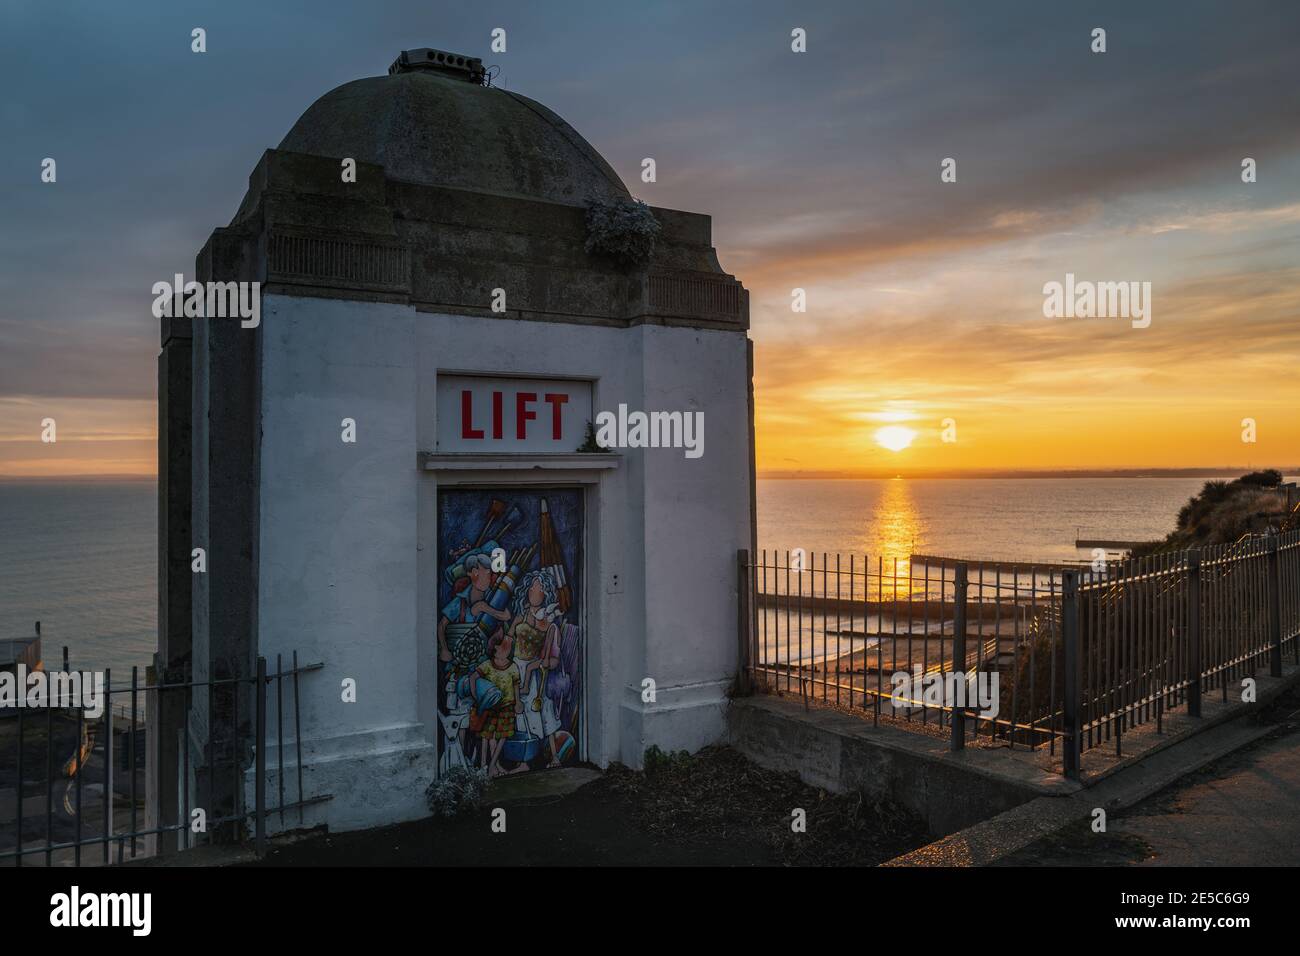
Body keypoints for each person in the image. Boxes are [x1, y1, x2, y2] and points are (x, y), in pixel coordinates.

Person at [507, 569, 565, 768]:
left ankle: (551, 756)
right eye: (531, 586)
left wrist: (535, 665)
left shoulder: (550, 627)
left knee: (541, 711)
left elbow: (554, 660)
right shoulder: (519, 617)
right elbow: (507, 643)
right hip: (516, 669)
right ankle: (523, 759)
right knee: (519, 713)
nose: (533, 591)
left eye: (538, 588)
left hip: (536, 675)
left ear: (546, 593)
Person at [475, 628, 523, 777]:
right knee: (487, 735)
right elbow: (474, 678)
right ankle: (484, 764)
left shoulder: (513, 666)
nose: (508, 647)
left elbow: (516, 685)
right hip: (490, 705)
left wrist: (518, 702)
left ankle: (493, 764)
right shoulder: (487, 665)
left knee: (502, 735)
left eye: (509, 645)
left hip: (507, 705)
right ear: (495, 647)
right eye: (505, 644)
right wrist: (477, 696)